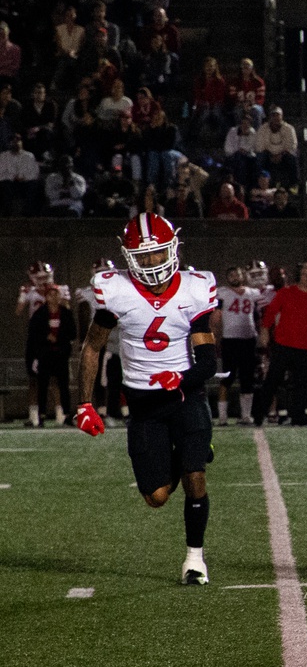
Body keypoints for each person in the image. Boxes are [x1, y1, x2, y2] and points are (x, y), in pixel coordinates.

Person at [74, 216, 220, 584]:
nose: (153, 263)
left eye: (158, 254)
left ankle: (194, 560)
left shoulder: (195, 289)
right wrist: (85, 404)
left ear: (173, 250)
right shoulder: (116, 291)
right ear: (128, 257)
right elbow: (93, 346)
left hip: (186, 395)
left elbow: (208, 361)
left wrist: (180, 377)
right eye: (144, 256)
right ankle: (192, 449)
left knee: (195, 476)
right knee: (156, 497)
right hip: (143, 405)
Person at [255, 262, 307, 427]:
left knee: (303, 384)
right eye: (305, 274)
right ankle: (259, 414)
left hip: (306, 348)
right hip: (283, 345)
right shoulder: (286, 293)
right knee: (272, 380)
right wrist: (264, 331)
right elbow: (271, 313)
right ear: (299, 275)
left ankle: (298, 415)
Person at [214, 265, 262, 425]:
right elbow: (216, 316)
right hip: (230, 340)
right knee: (227, 377)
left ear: (243, 276)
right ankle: (222, 417)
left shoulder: (253, 293)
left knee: (248, 378)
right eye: (232, 274)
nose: (235, 277)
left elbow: (258, 317)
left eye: (238, 274)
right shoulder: (222, 292)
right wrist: (214, 335)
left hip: (249, 340)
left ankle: (246, 416)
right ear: (227, 277)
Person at [25, 282, 76, 427]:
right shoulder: (39, 314)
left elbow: (72, 333)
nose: (53, 297)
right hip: (45, 354)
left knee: (63, 385)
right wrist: (46, 337)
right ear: (46, 297)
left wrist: (58, 338)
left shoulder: (66, 313)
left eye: (56, 294)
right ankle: (41, 415)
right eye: (50, 295)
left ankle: (65, 414)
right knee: (43, 385)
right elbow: (33, 333)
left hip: (61, 353)